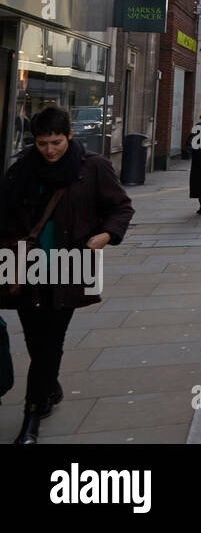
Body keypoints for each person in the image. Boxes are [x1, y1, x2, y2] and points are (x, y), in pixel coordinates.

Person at [0, 106, 134, 444]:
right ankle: (49, 386)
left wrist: (106, 235)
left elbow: (121, 206)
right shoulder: (21, 169)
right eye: (43, 143)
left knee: (50, 342)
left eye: (56, 142)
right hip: (24, 266)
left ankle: (31, 417)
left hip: (70, 264)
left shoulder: (93, 168)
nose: (49, 151)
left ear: (70, 136)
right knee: (34, 339)